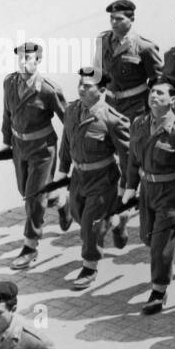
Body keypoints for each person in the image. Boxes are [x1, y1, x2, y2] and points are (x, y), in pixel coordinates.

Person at [122, 77, 175, 314]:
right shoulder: (139, 124)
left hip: (171, 194)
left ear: (172, 100)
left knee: (160, 247)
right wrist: (130, 187)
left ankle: (158, 291)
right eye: (152, 92)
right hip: (146, 191)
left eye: (160, 93)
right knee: (147, 238)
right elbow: (133, 159)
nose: (154, 96)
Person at [57, 66, 131, 289]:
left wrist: (125, 188)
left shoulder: (113, 120)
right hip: (78, 177)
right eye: (80, 84)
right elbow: (67, 142)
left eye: (87, 86)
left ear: (102, 91)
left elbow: (127, 157)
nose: (81, 89)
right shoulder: (72, 111)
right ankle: (117, 221)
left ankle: (89, 266)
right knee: (78, 215)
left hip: (103, 179)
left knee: (90, 225)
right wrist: (62, 172)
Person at [1, 41, 68, 270]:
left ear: (38, 61)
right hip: (19, 146)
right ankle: (60, 201)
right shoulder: (9, 82)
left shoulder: (49, 90)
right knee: (25, 190)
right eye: (20, 58)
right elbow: (7, 114)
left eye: (27, 58)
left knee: (32, 198)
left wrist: (72, 152)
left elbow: (69, 123)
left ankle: (30, 247)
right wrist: (6, 142)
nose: (22, 62)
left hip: (42, 150)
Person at [92, 0, 162, 119]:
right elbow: (98, 71)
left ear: (132, 19)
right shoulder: (103, 40)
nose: (114, 22)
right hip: (109, 106)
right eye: (111, 18)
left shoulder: (144, 47)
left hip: (136, 107)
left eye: (119, 19)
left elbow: (157, 80)